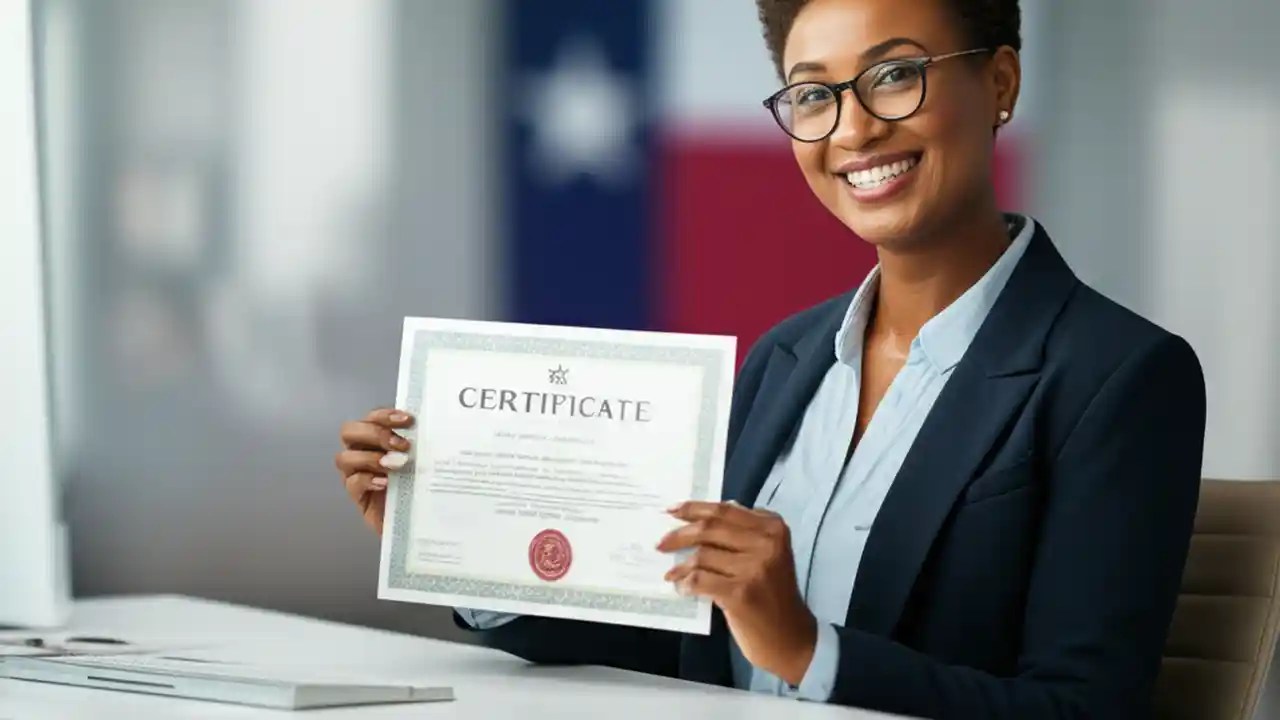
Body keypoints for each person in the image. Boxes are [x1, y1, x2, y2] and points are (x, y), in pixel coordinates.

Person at [334, 0, 1207, 716]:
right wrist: (462, 542)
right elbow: (680, 642)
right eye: (813, 95)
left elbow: (1085, 708)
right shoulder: (787, 357)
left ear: (1001, 81)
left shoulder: (1120, 376)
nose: (854, 130)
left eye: (896, 75)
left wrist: (804, 650)